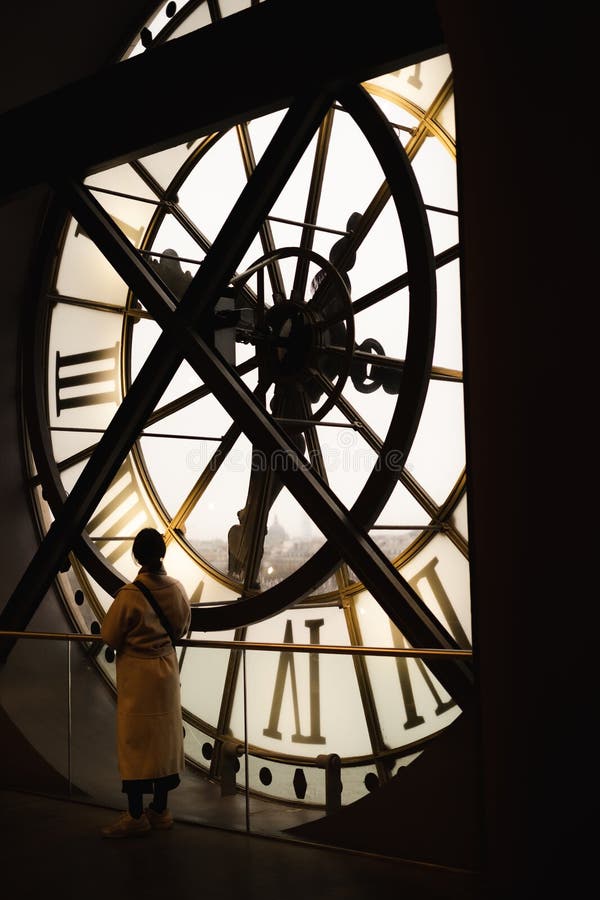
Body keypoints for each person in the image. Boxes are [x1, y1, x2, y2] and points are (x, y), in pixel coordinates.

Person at [100, 527, 191, 838]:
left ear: (137, 556)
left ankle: (135, 814)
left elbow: (110, 635)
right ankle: (160, 809)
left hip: (137, 681)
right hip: (167, 675)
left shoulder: (129, 596)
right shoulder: (177, 589)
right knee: (164, 745)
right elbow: (182, 627)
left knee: (136, 747)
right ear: (162, 554)